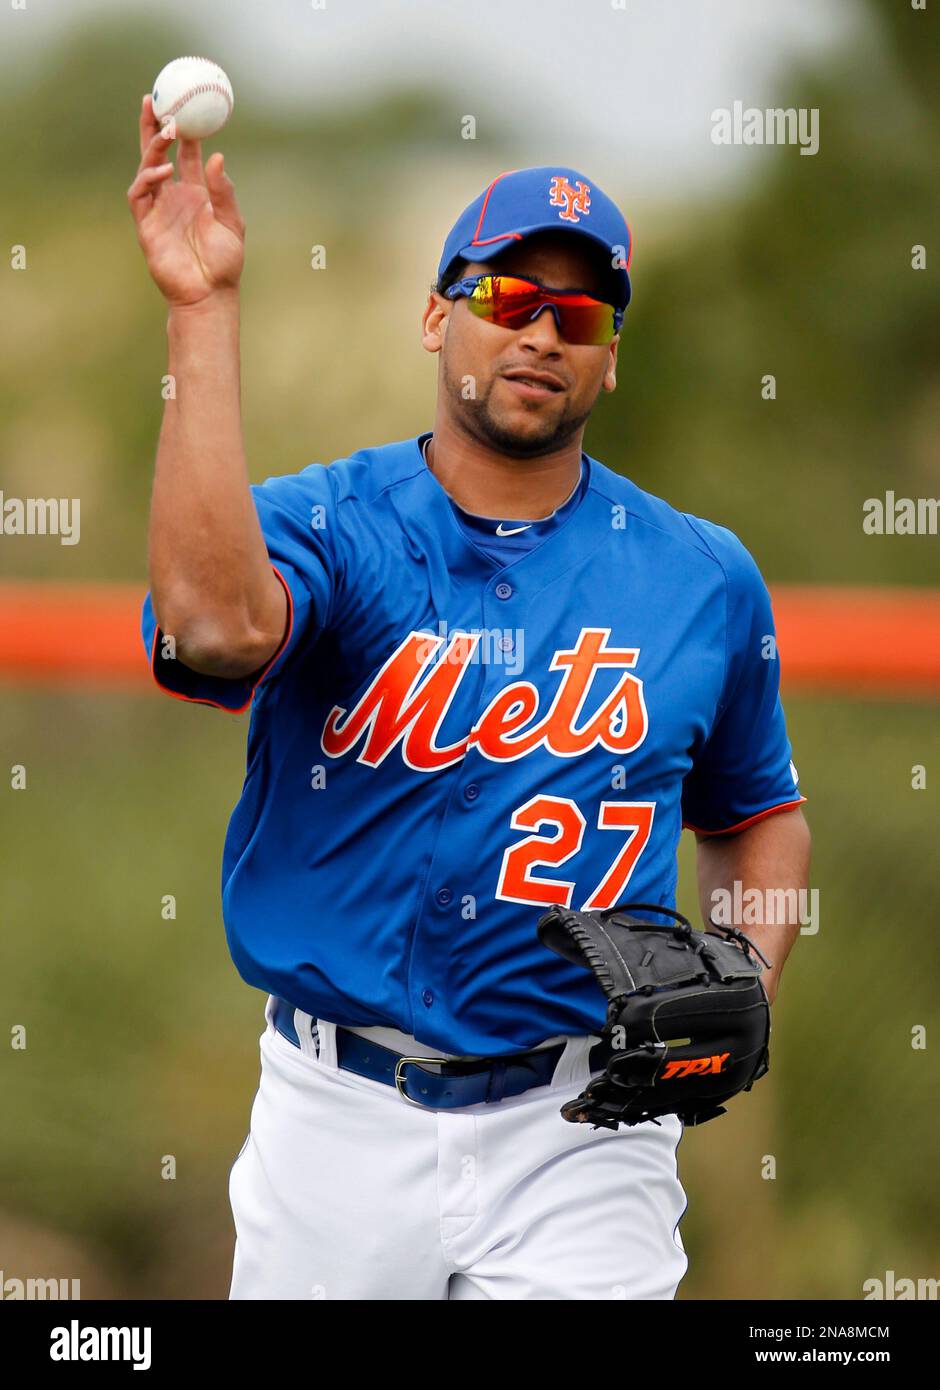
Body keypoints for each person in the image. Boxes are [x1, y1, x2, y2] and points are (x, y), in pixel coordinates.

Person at [128, 95, 811, 1300]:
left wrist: (746, 969)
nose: (541, 332)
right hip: (337, 1115)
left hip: (583, 1127)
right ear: (437, 315)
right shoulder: (331, 523)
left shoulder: (700, 576)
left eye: (579, 311)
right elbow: (214, 627)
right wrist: (201, 312)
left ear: (610, 352)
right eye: (507, 297)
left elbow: (757, 811)